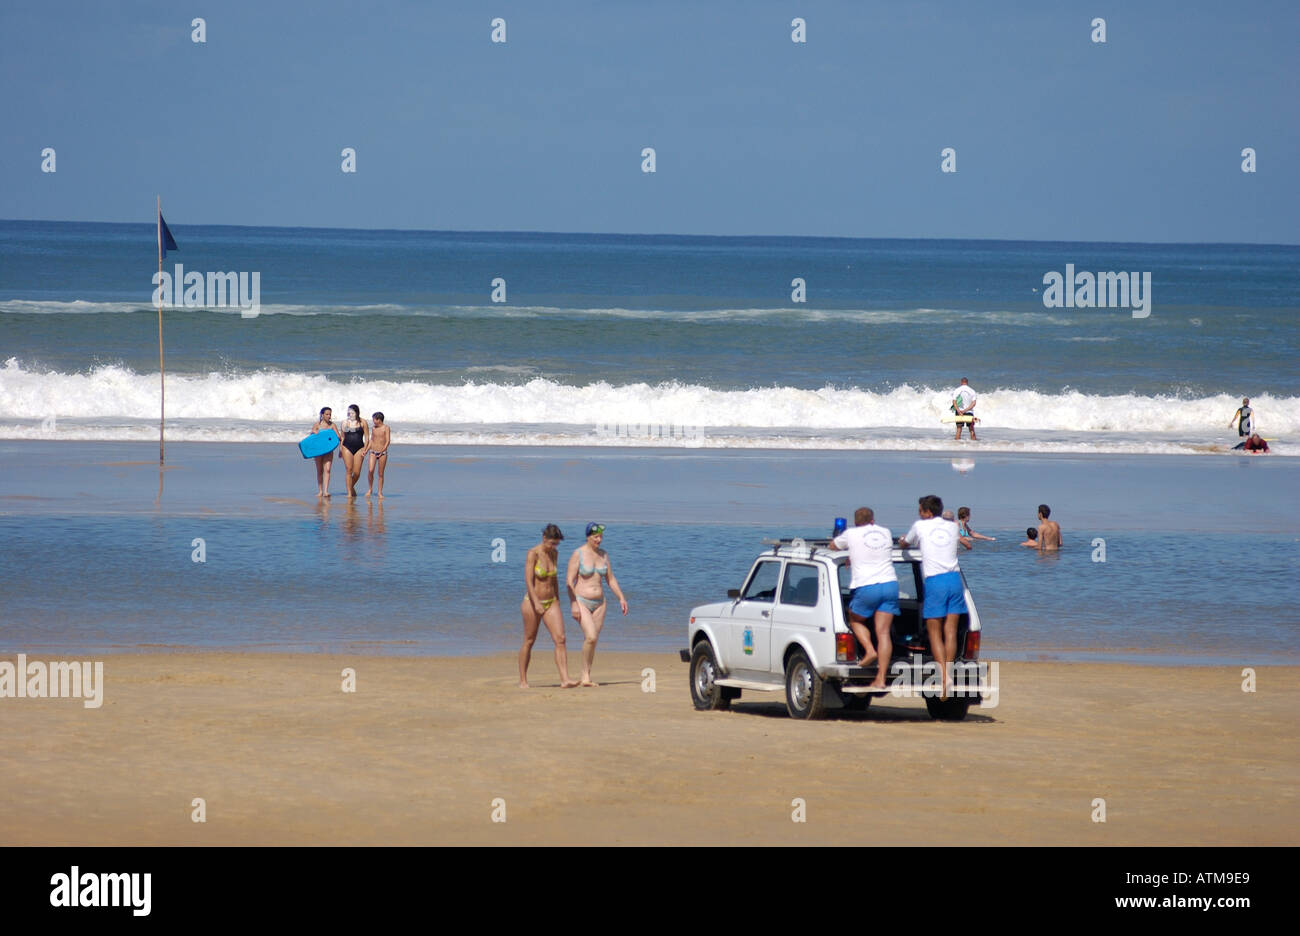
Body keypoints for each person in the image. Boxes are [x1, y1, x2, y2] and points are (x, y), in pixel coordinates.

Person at [898, 495, 966, 697]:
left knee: (934, 631)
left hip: (935, 582)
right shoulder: (953, 526)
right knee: (951, 630)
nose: (918, 513)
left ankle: (944, 676)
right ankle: (950, 671)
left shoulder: (920, 526)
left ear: (927, 512)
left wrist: (903, 540)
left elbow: (905, 544)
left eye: (920, 510)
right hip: (955, 579)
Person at [831, 507, 898, 688]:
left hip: (867, 586)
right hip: (890, 584)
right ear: (872, 520)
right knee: (883, 633)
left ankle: (869, 650)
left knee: (854, 619)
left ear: (855, 522)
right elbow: (875, 552)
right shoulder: (886, 532)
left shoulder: (851, 533)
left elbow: (833, 546)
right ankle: (881, 679)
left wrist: (850, 553)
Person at [566, 523, 628, 687]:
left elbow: (610, 579)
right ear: (588, 537)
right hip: (582, 601)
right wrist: (573, 604)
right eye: (595, 537)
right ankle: (584, 675)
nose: (599, 540)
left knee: (593, 640)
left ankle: (586, 675)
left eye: (601, 537)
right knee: (591, 636)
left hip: (600, 603)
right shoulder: (578, 554)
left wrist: (621, 597)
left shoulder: (604, 555)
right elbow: (568, 582)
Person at [519, 524, 577, 689]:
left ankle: (565, 679)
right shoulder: (533, 554)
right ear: (544, 538)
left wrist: (557, 599)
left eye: (557, 544)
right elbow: (529, 582)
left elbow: (554, 579)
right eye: (552, 543)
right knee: (529, 640)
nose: (554, 546)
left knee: (561, 639)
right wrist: (536, 602)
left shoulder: (554, 554)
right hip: (532, 602)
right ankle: (523, 680)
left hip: (551, 602)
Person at [337, 404, 369, 499]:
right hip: (347, 447)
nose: (350, 414)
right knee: (349, 470)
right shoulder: (344, 422)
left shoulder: (363, 422)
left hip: (359, 447)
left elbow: (367, 436)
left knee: (357, 472)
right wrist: (340, 449)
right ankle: (349, 493)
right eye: (348, 412)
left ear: (357, 412)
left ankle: (350, 486)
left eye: (352, 412)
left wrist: (365, 448)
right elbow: (342, 437)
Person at [310, 406, 336, 498]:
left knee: (328, 470)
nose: (329, 416)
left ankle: (326, 491)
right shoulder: (317, 425)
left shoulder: (332, 425)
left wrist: (335, 436)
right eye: (327, 414)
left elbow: (338, 438)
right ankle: (320, 491)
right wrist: (313, 432)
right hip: (318, 450)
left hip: (329, 450)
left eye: (330, 414)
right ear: (322, 415)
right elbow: (311, 438)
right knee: (320, 470)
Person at [366, 412, 391, 497]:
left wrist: (381, 451)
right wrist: (366, 450)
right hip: (373, 451)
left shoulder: (386, 428)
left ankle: (380, 492)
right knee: (370, 470)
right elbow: (371, 440)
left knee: (380, 473)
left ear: (379, 420)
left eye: (374, 419)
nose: (373, 421)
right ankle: (370, 489)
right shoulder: (373, 428)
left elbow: (387, 441)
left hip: (382, 453)